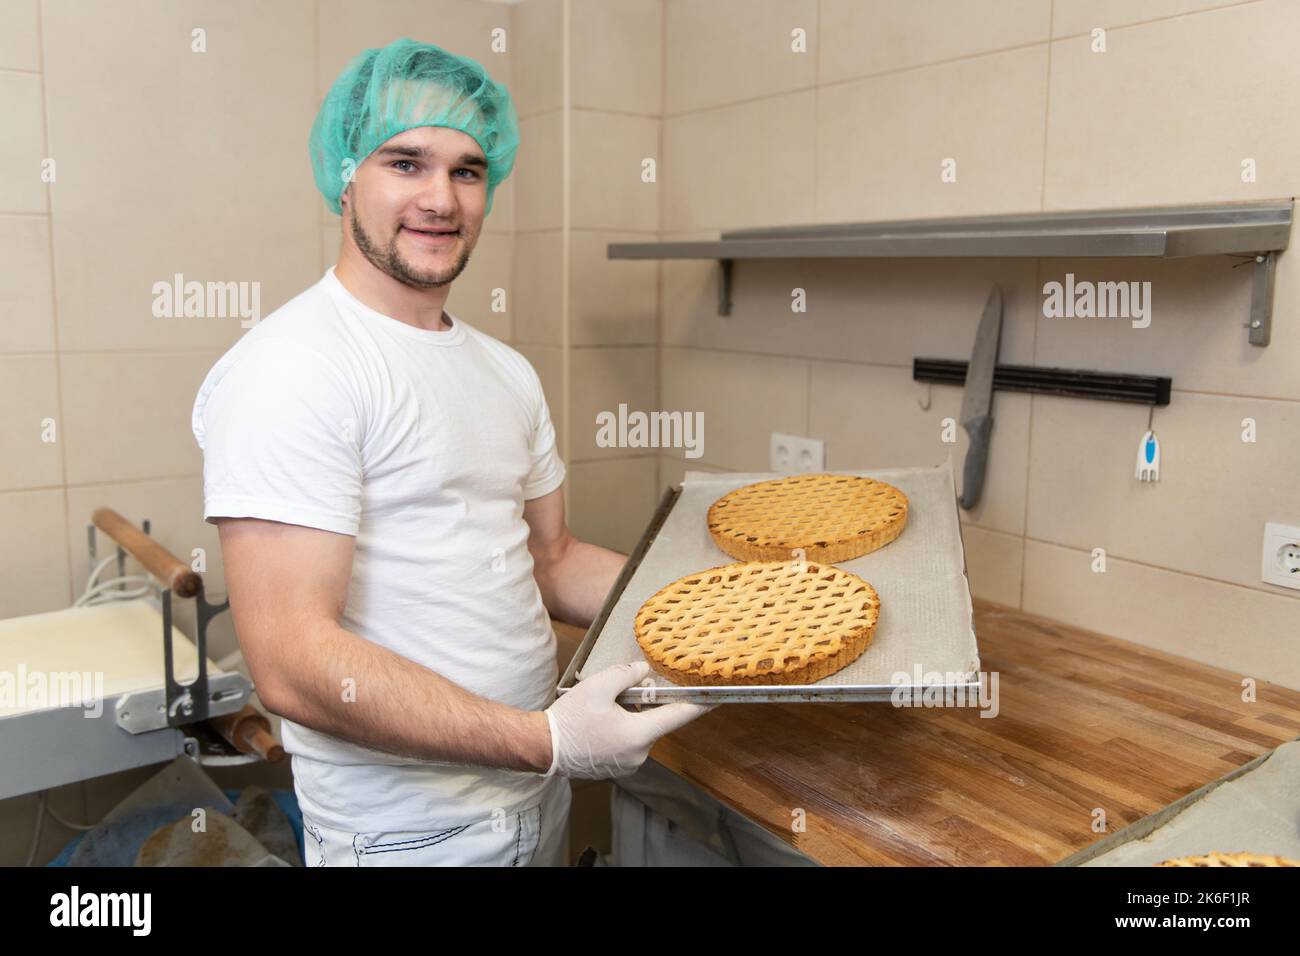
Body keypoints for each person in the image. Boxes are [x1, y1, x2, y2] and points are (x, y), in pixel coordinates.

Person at [190, 38, 711, 867]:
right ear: (345, 175)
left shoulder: (503, 371)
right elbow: (291, 661)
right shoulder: (292, 369)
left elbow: (552, 560)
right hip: (408, 836)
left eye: (468, 171)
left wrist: (707, 607)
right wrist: (546, 739)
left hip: (533, 800)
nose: (441, 198)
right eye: (407, 162)